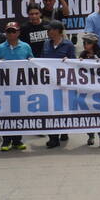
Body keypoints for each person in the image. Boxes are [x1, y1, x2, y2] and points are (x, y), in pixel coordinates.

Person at [0, 23, 33, 151]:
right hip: (4, 87)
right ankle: (6, 141)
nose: (11, 34)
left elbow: (32, 64)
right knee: (5, 114)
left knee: (19, 113)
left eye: (13, 31)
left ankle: (17, 140)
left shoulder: (25, 47)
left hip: (21, 87)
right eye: (8, 31)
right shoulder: (0, 48)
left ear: (18, 32)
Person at [40, 20, 76, 148]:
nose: (48, 32)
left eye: (50, 29)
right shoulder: (46, 44)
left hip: (64, 83)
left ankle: (64, 130)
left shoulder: (68, 45)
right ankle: (53, 138)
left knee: (63, 108)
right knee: (50, 109)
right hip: (49, 83)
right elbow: (41, 60)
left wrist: (68, 61)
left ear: (57, 31)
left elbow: (74, 64)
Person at [77, 32, 100, 148]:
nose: (85, 45)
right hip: (86, 89)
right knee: (88, 114)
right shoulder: (83, 55)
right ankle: (90, 135)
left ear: (93, 44)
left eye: (87, 43)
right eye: (84, 43)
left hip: (99, 90)